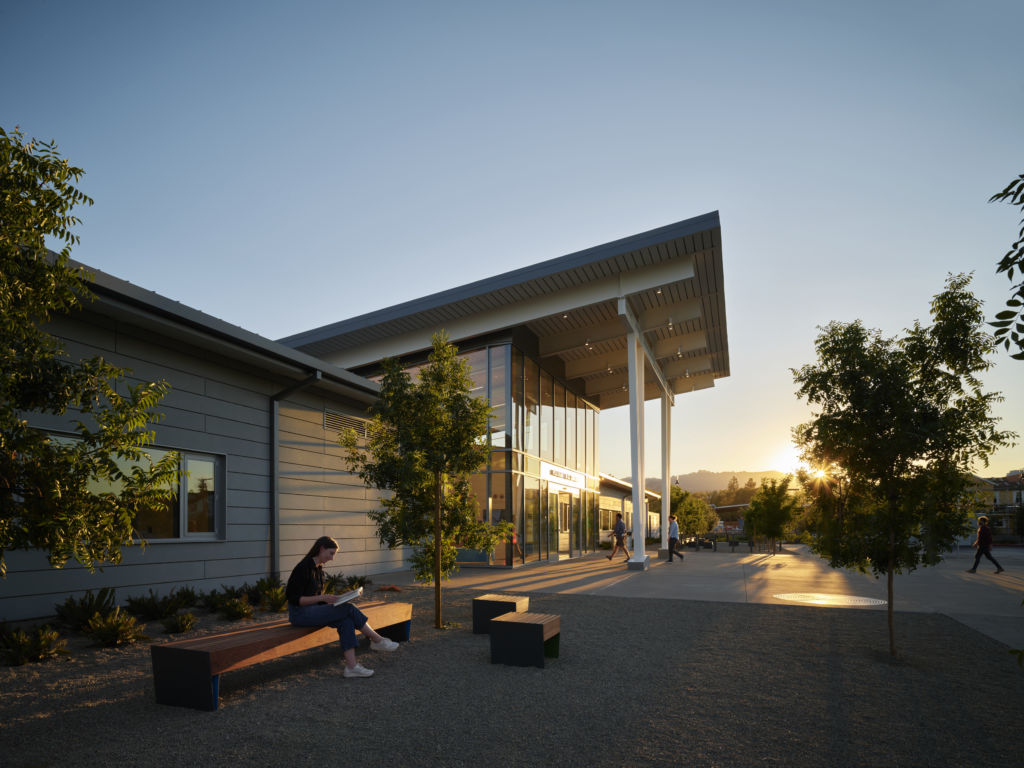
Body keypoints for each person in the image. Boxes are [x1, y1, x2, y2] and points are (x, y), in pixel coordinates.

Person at [285, 535, 399, 678]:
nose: (332, 558)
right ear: (321, 549)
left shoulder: (319, 570)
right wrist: (323, 598)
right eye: (331, 553)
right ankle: (377, 640)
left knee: (347, 621)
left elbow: (317, 599)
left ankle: (351, 667)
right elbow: (295, 599)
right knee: (349, 609)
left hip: (313, 612)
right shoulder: (303, 568)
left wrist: (333, 600)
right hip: (299, 614)